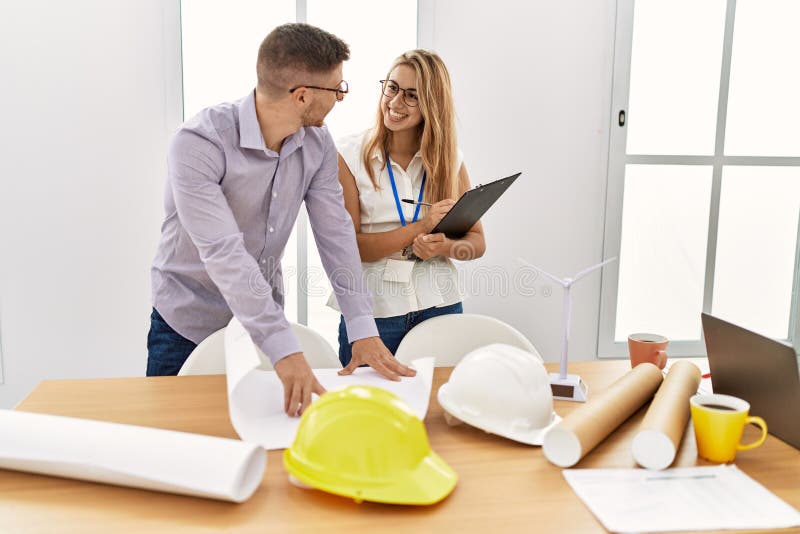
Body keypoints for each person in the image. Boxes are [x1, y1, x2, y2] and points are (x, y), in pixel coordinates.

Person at [148, 23, 414, 417]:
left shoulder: (318, 144)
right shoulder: (198, 143)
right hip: (185, 322)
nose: (342, 97)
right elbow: (224, 253)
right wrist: (285, 348)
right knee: (170, 441)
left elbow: (336, 235)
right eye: (338, 89)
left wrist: (362, 328)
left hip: (260, 324)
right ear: (303, 96)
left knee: (263, 438)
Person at [331, 50, 486, 366]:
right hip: (375, 315)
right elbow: (352, 247)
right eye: (392, 87)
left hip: (441, 305)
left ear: (432, 104)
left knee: (436, 408)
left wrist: (445, 246)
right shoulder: (348, 156)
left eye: (412, 96)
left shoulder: (449, 160)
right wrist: (419, 227)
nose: (395, 102)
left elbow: (478, 243)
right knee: (369, 409)